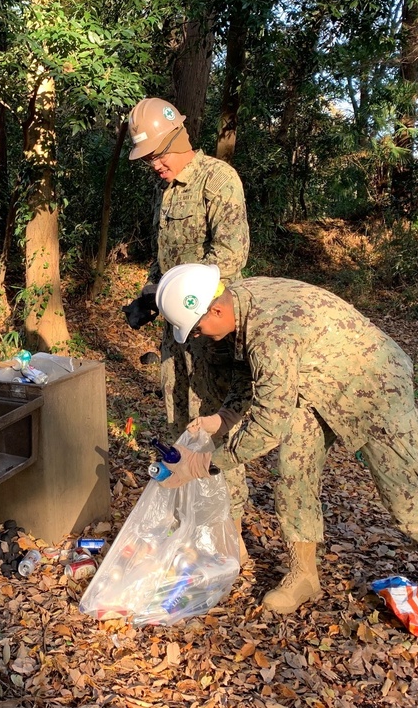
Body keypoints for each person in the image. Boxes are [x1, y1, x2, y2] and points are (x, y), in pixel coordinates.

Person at [151, 263, 418, 627]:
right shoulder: (240, 306)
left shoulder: (271, 332)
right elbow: (251, 378)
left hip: (375, 390)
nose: (199, 336)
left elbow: (268, 424)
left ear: (216, 309)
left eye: (197, 328)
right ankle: (303, 574)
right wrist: (222, 419)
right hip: (312, 388)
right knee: (293, 476)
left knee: (403, 496)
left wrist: (201, 465)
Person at [122, 97, 252, 550]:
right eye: (149, 159)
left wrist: (186, 301)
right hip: (175, 333)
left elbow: (230, 258)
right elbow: (165, 262)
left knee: (215, 421)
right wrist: (149, 297)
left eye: (158, 155)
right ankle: (192, 512)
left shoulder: (219, 180)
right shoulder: (167, 190)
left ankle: (227, 525)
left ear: (178, 140)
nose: (154, 165)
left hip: (209, 329)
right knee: (179, 415)